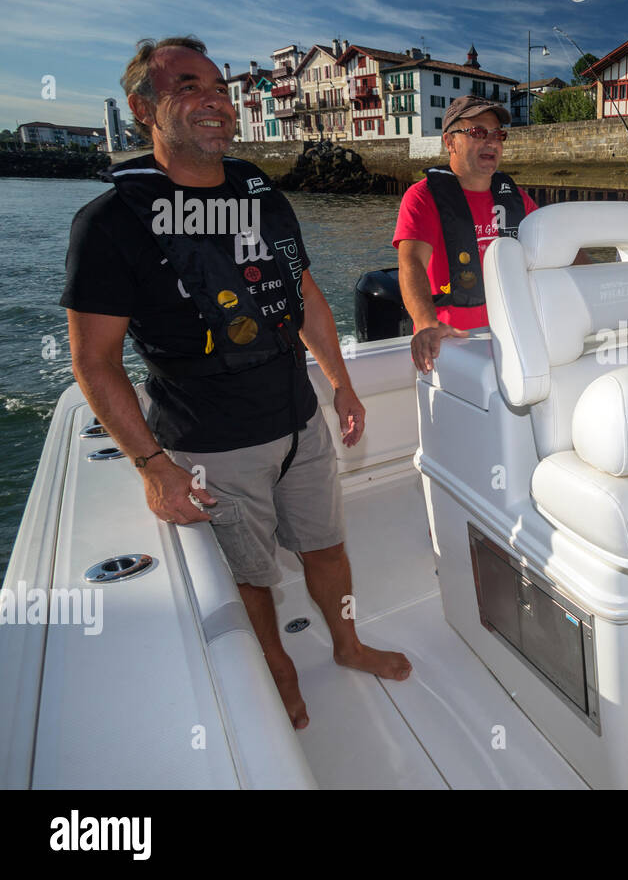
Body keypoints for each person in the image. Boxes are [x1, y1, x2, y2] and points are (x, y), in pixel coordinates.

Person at [62, 36, 411, 732]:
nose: (215, 101)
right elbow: (94, 362)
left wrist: (341, 384)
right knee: (251, 575)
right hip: (209, 446)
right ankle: (276, 667)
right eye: (187, 87)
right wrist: (153, 466)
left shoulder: (261, 193)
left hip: (299, 419)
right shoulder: (108, 223)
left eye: (219, 88)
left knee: (328, 548)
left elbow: (305, 294)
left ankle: (345, 642)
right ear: (142, 108)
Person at [393, 95, 540, 372]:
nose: (492, 142)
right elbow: (411, 263)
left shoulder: (517, 199)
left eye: (498, 135)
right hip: (450, 347)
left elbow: (557, 246)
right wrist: (426, 324)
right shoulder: (423, 197)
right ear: (450, 142)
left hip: (513, 340)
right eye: (478, 132)